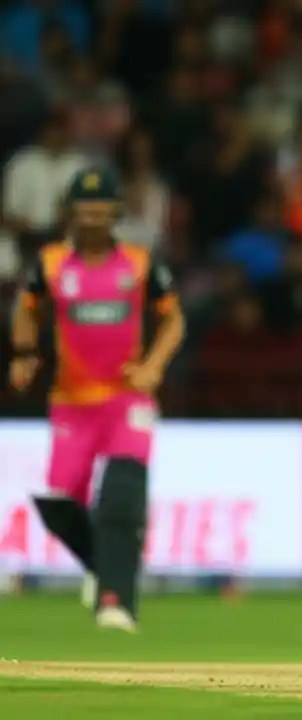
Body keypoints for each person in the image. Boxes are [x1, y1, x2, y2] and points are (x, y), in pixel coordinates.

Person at [10, 167, 185, 632]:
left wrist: (152, 368)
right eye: (83, 209)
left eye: (100, 208)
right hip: (71, 403)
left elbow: (173, 320)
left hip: (126, 399)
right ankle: (103, 568)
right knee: (57, 502)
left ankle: (116, 601)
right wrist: (25, 353)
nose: (91, 217)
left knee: (122, 498)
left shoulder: (139, 263)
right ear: (69, 212)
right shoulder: (49, 264)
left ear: (114, 212)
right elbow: (26, 309)